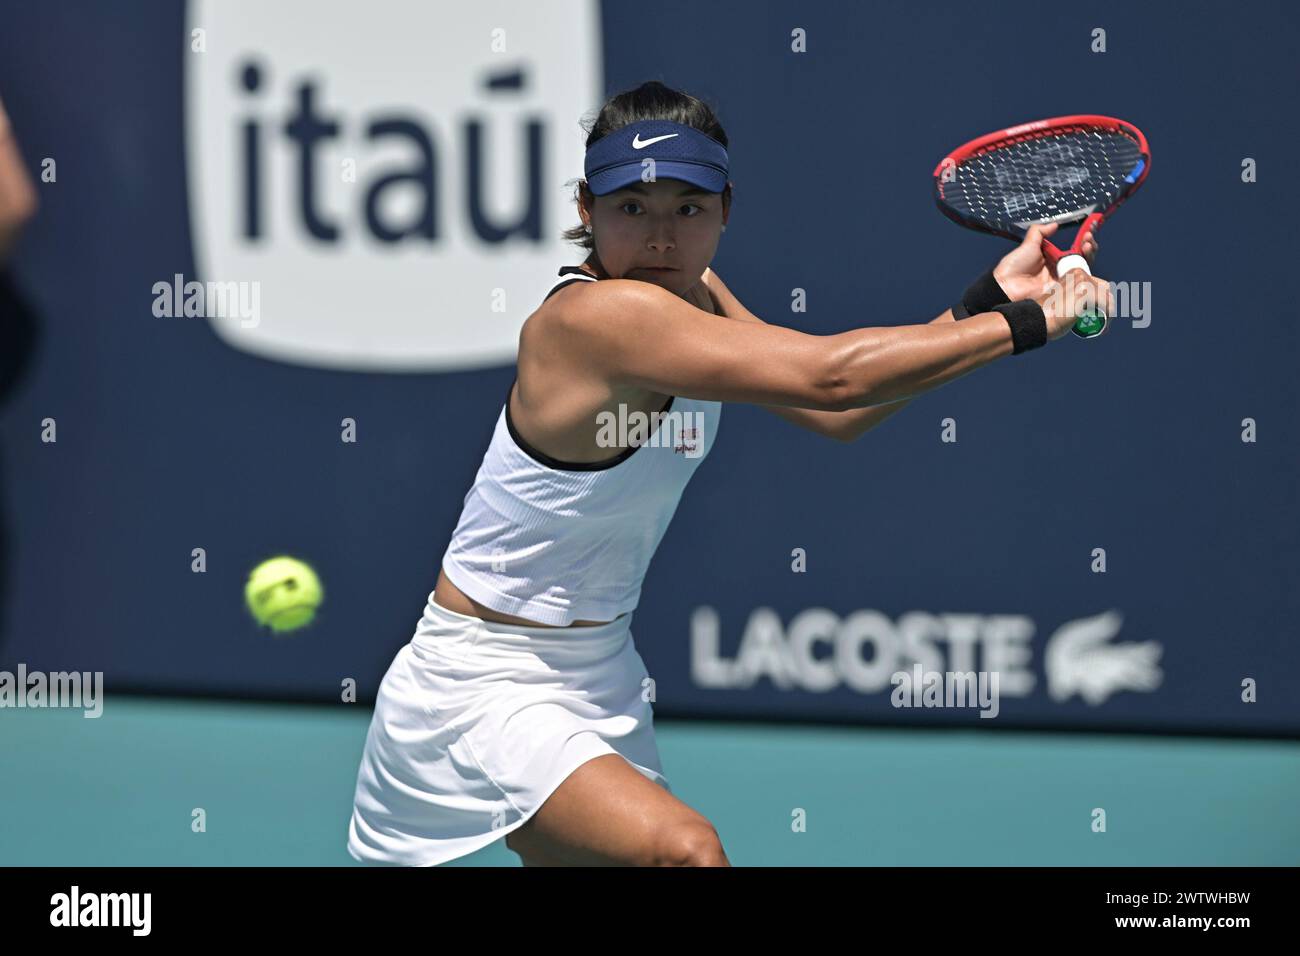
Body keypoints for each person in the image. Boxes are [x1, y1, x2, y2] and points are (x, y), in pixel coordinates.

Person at [346, 80, 1110, 867]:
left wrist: (987, 300)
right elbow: (831, 377)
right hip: (483, 678)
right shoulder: (594, 319)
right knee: (688, 852)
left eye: (688, 208)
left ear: (725, 211)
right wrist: (1023, 323)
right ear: (585, 209)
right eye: (631, 207)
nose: (660, 236)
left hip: (599, 669)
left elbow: (837, 414)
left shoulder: (697, 296)